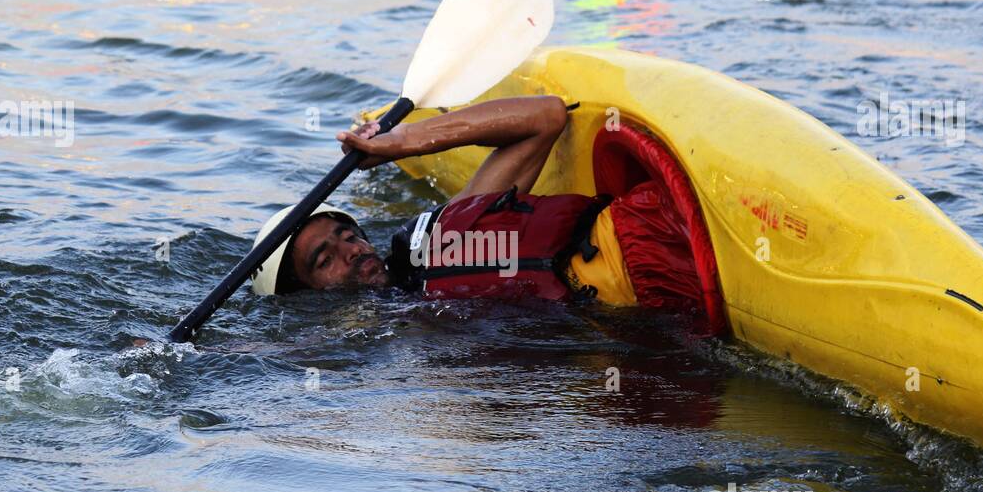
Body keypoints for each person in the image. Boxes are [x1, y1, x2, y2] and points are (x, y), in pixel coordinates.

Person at [249, 96, 721, 333]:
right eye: (323, 260)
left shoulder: (442, 234)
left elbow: (546, 116)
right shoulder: (393, 340)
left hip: (656, 226)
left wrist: (402, 143)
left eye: (345, 235)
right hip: (664, 318)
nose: (349, 253)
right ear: (303, 299)